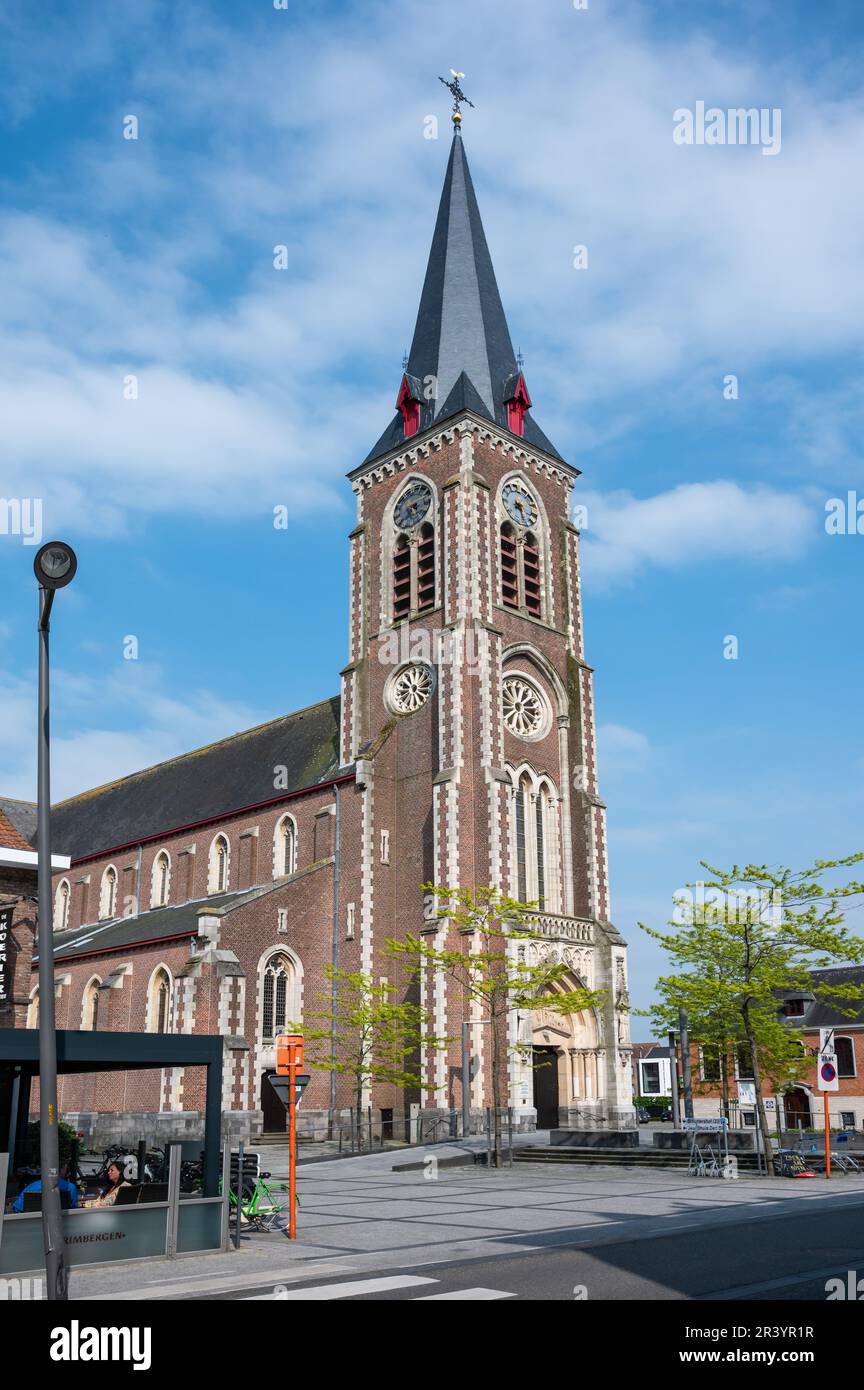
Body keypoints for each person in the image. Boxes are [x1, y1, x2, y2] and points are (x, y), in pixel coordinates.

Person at [10, 1160, 79, 1212]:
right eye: (66, 1168)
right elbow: (73, 1209)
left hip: (29, 1225)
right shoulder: (69, 1187)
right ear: (62, 1170)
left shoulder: (31, 1186)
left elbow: (17, 1208)